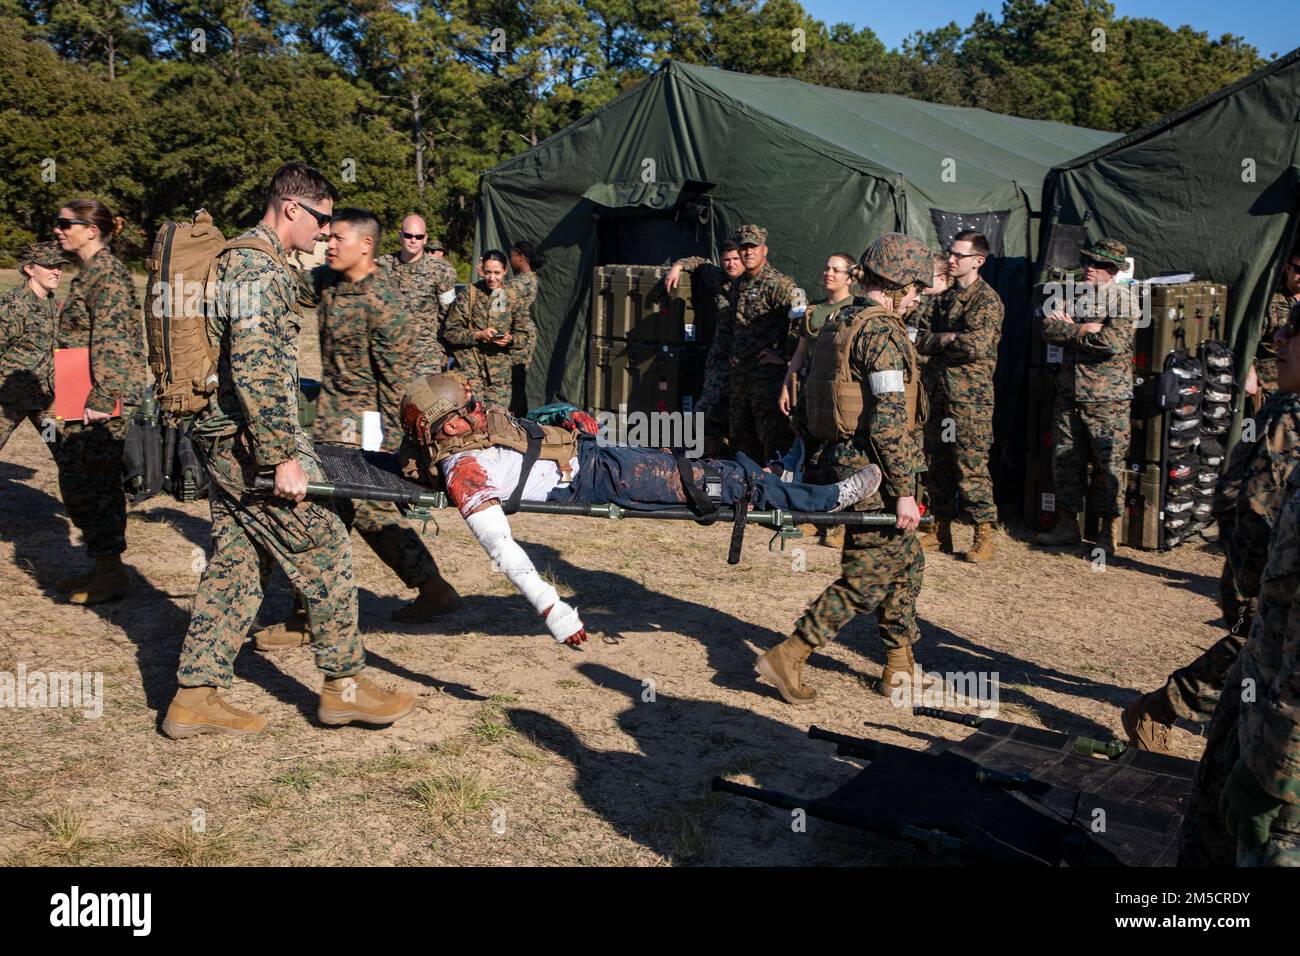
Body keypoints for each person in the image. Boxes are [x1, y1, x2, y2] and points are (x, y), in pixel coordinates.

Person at [162, 163, 415, 739]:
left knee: (236, 562)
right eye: (323, 220)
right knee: (324, 544)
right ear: (293, 209)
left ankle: (195, 695)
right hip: (247, 444)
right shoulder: (256, 268)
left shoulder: (249, 261)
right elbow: (257, 370)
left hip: (226, 436)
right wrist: (281, 456)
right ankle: (344, 689)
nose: (328, 233)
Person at [395, 373, 881, 645]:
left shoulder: (476, 431)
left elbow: (525, 433)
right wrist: (553, 609)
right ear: (450, 428)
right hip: (601, 478)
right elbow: (500, 547)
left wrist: (565, 416)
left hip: (598, 457)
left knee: (704, 466)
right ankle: (822, 502)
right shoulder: (465, 470)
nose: (478, 407)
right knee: (714, 482)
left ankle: (778, 484)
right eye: (468, 407)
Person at [253, 208, 462, 651]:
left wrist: (395, 451)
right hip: (331, 421)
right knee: (355, 514)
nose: (329, 245)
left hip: (365, 426)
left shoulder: (384, 303)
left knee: (326, 512)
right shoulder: (327, 281)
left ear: (365, 246)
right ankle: (430, 588)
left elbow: (400, 387)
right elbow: (285, 292)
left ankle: (310, 615)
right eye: (328, 238)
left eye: (339, 239)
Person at [755, 233, 932, 706]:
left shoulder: (841, 321)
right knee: (867, 575)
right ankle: (789, 655)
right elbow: (890, 421)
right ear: (898, 284)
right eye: (915, 288)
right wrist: (903, 490)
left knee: (905, 562)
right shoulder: (883, 332)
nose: (916, 298)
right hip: (873, 474)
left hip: (841, 463)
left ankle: (899, 664)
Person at [1176, 304, 1300, 866]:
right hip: (1264, 660)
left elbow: (1250, 512)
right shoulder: (1282, 407)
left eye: (1290, 334)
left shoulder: (1289, 417)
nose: (1279, 340)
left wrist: (1278, 769)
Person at [1123, 369, 1300, 754]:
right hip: (1270, 563)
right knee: (1256, 644)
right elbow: (1241, 497)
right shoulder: (1288, 412)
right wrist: (1262, 576)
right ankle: (1159, 708)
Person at [50, 200, 146, 605]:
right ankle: (104, 565)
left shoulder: (106, 274)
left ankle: (110, 573)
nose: (58, 230)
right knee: (83, 481)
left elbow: (114, 341)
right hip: (80, 390)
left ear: (91, 230)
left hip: (97, 396)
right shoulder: (91, 272)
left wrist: (104, 398)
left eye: (65, 223)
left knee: (94, 484)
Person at [1036, 238, 1140, 555]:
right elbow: (1048, 330)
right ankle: (1067, 526)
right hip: (1070, 396)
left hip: (1107, 400)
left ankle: (1108, 533)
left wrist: (1075, 331)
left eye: (1097, 264)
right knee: (1066, 463)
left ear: (1112, 269)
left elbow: (1110, 343)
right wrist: (1084, 330)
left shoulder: (1125, 302)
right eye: (1086, 262)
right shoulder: (1074, 296)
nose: (1089, 268)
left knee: (1106, 467)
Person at [914, 231, 1004, 563]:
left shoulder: (986, 301)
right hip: (938, 395)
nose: (950, 260)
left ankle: (984, 534)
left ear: (978, 261)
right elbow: (916, 336)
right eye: (949, 254)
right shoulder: (941, 299)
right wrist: (947, 338)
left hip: (970, 401)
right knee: (936, 464)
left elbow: (976, 346)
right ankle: (939, 530)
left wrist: (942, 341)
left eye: (958, 256)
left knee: (971, 466)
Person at [727, 224, 800, 464]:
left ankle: (774, 496)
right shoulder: (739, 284)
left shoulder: (778, 284)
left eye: (753, 247)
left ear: (764, 250)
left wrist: (785, 356)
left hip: (766, 382)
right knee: (741, 443)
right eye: (744, 248)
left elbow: (802, 318)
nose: (748, 252)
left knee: (773, 443)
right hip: (740, 381)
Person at [665, 241, 744, 458]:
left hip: (748, 367)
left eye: (736, 259)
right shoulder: (719, 279)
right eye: (727, 259)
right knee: (704, 414)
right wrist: (678, 267)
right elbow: (700, 263)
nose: (731, 264)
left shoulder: (757, 287)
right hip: (721, 364)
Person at [442, 249, 530, 409]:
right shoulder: (469, 294)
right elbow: (450, 333)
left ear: (504, 271)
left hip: (499, 379)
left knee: (497, 425)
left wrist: (510, 339)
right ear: (482, 270)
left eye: (497, 272)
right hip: (470, 373)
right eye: (488, 272)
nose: (492, 277)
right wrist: (478, 335)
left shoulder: (512, 297)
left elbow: (524, 336)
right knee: (472, 425)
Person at [0, 242, 64, 453]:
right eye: (49, 265)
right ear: (29, 269)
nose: (56, 271)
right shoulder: (13, 306)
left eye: (59, 266)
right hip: (9, 400)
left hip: (44, 402)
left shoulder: (56, 306)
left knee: (63, 451)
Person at [378, 214, 456, 374]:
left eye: (418, 237)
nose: (413, 240)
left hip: (425, 360)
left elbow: (450, 314)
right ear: (400, 235)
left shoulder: (441, 271)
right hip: (387, 358)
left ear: (425, 238)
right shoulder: (381, 266)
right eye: (408, 235)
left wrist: (442, 350)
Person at [1246, 247, 1300, 412]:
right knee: (1252, 432)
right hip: (1269, 387)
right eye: (1299, 270)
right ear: (1287, 268)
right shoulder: (1270, 302)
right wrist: (1249, 374)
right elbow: (1247, 341)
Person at [507, 240, 544, 416]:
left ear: (520, 257)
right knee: (518, 380)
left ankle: (518, 417)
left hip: (518, 334)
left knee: (515, 380)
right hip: (524, 333)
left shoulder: (519, 282)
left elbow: (498, 302)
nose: (510, 259)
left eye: (512, 256)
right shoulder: (531, 278)